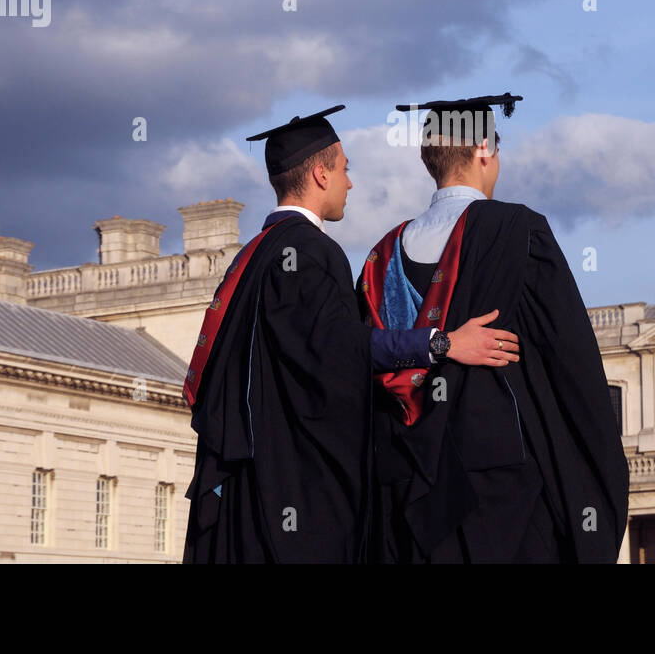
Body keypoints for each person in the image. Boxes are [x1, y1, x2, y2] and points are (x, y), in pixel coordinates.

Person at [182, 105, 518, 563]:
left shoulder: (251, 258)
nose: (350, 182)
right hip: (295, 489)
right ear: (321, 174)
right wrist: (443, 343)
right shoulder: (311, 251)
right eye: (345, 169)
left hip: (244, 484)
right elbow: (343, 351)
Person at [359, 93, 629, 563]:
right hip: (503, 483)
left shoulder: (381, 255)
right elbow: (571, 361)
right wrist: (594, 462)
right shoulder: (518, 231)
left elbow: (359, 354)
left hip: (407, 481)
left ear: (430, 158)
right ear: (484, 150)